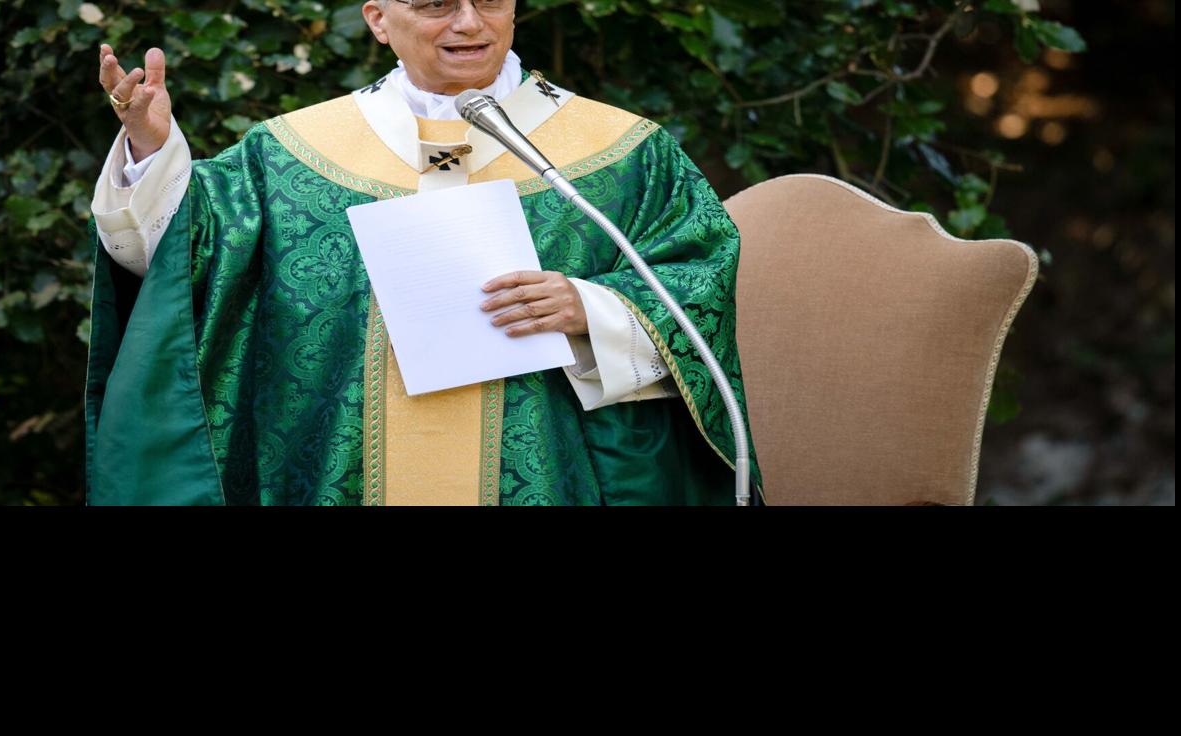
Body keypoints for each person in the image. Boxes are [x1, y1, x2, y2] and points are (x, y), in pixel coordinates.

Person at [86, 0, 762, 505]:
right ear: (379, 17)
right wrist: (150, 149)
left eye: (489, 1)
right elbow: (185, 264)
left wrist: (590, 307)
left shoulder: (622, 152)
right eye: (437, 4)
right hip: (341, 477)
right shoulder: (292, 154)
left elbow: (697, 279)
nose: (469, 23)